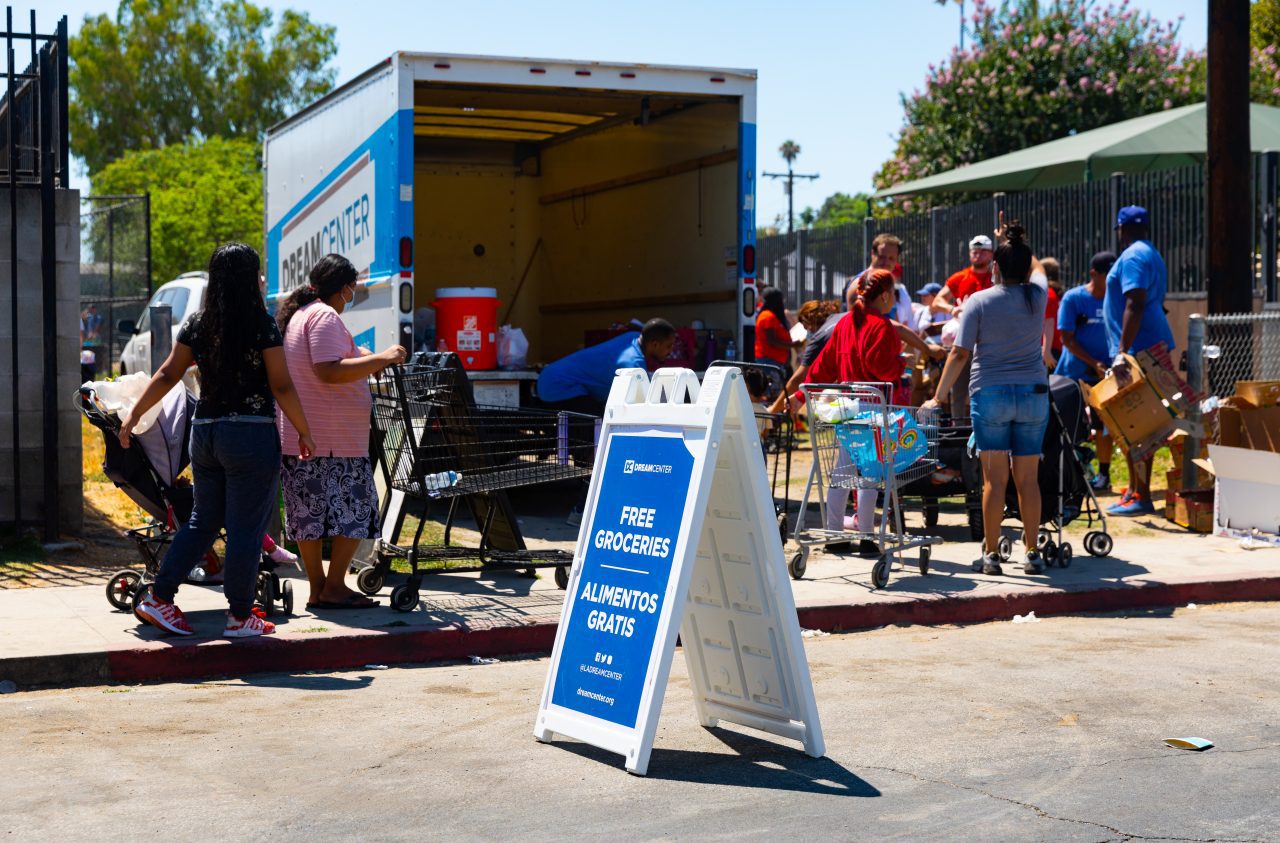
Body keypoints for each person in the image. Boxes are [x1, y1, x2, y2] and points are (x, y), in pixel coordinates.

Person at [118, 242, 316, 637]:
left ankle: (158, 598)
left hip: (205, 431)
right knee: (245, 527)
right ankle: (240, 616)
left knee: (202, 521)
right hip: (249, 435)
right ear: (249, 278)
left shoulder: (198, 322)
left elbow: (167, 375)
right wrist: (304, 430)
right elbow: (280, 384)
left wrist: (134, 415)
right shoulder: (262, 324)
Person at [275, 254, 407, 610]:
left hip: (305, 435)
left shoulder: (303, 315)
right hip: (332, 439)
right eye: (353, 288)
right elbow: (329, 370)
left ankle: (319, 588)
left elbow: (330, 360)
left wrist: (362, 356)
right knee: (357, 509)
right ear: (345, 289)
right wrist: (384, 357)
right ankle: (333, 586)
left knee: (309, 516)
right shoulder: (324, 315)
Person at [924, 220, 1049, 576]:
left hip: (990, 393)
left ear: (994, 267)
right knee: (1028, 479)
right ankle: (1031, 552)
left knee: (995, 481)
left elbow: (959, 353)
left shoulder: (978, 301)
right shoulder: (1036, 296)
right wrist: (1014, 243)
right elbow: (1036, 270)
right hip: (1032, 395)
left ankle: (991, 555)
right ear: (1025, 268)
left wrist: (938, 396)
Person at [779, 270, 907, 555]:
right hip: (873, 408)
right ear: (885, 295)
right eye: (893, 294)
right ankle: (866, 537)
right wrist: (900, 364)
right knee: (869, 476)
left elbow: (822, 367)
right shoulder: (882, 327)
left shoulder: (845, 324)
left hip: (847, 409)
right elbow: (881, 367)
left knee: (842, 473)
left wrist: (800, 396)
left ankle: (835, 534)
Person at [1104, 205, 1175, 516]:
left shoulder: (1133, 256)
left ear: (1121, 228)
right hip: (1146, 345)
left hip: (1139, 351)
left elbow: (1135, 302)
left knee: (1140, 424)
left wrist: (1122, 349)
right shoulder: (1150, 252)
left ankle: (1142, 495)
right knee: (1131, 424)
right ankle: (1134, 490)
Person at [1056, 251, 1117, 491]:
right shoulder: (1074, 298)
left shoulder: (1115, 298)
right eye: (1108, 275)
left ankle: (1103, 475)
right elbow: (1067, 339)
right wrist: (1094, 363)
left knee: (1105, 425)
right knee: (1070, 425)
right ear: (1094, 274)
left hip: (1105, 375)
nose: (1113, 280)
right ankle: (1069, 473)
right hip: (1075, 375)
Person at [537, 318, 677, 417]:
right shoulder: (632, 365)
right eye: (668, 346)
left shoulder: (633, 337)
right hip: (559, 385)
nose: (671, 351)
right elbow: (645, 407)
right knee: (596, 429)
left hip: (550, 376)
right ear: (654, 344)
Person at [782, 299, 842, 397]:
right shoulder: (840, 319)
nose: (808, 332)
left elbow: (798, 379)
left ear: (809, 320)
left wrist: (773, 409)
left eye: (807, 327)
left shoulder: (820, 337)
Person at [754, 287, 801, 375]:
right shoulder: (768, 316)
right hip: (769, 362)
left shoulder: (771, 316)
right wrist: (793, 345)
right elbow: (772, 341)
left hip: (772, 362)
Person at [1040, 257, 1064, 369]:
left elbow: (1049, 322)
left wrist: (1046, 350)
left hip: (1049, 349)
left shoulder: (1048, 293)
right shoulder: (1057, 293)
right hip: (1056, 347)